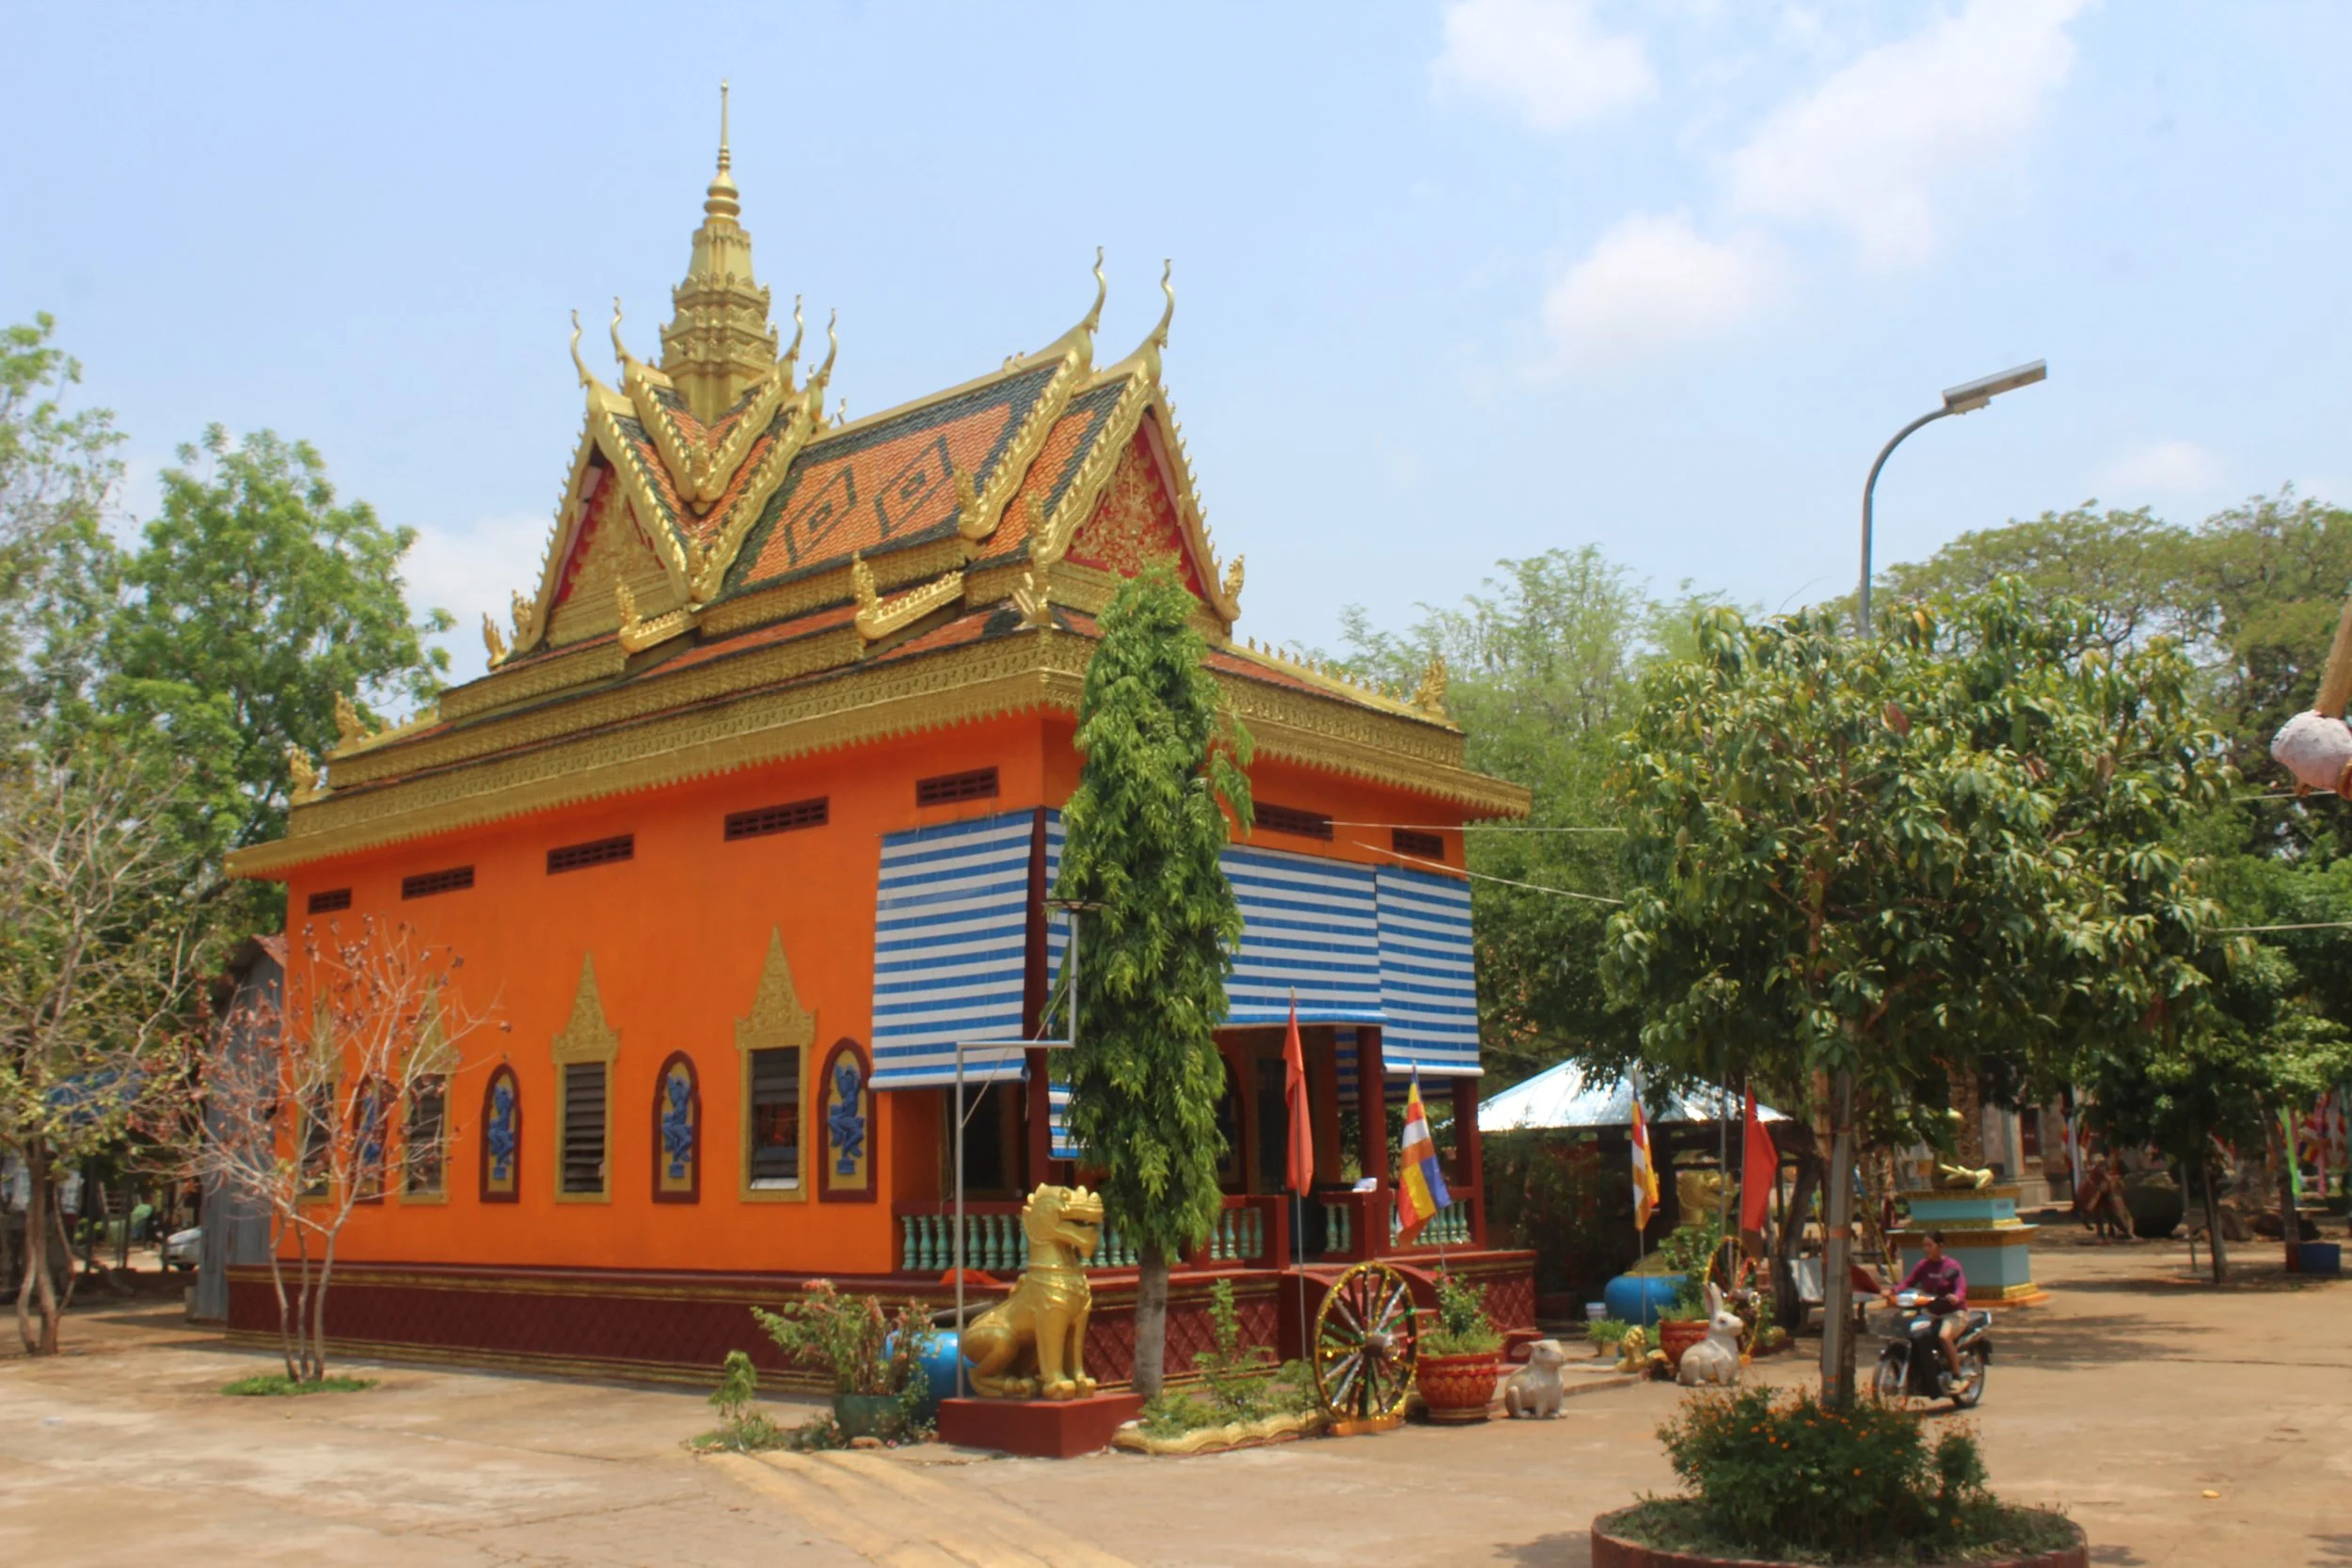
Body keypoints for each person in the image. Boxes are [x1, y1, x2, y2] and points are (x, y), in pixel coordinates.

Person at [1883, 1229, 1969, 1388]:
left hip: (1953, 1313)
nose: (1926, 1249)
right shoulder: (1923, 1265)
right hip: (1930, 1312)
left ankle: (1958, 1376)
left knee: (1944, 1336)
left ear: (1940, 1246)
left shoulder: (1951, 1266)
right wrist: (1892, 1291)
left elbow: (1961, 1287)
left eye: (1930, 1245)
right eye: (1924, 1245)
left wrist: (1956, 1297)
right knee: (1910, 1331)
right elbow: (1908, 1282)